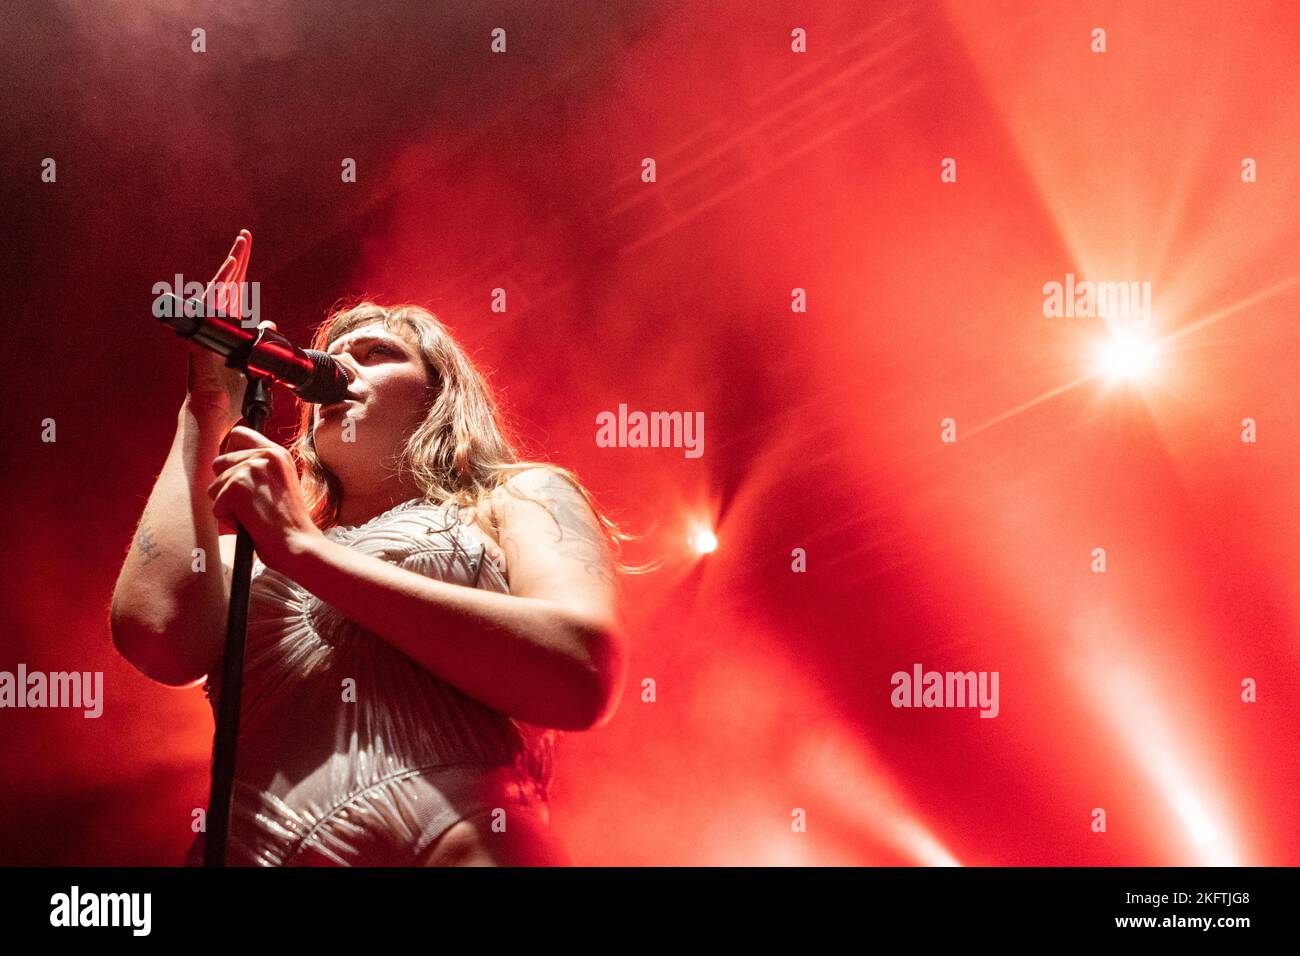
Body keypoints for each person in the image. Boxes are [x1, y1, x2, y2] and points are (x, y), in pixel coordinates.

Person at [109, 229, 631, 865]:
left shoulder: (516, 499)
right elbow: (153, 632)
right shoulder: (255, 552)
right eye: (331, 354)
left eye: (377, 352)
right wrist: (206, 401)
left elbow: (580, 669)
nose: (339, 366)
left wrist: (305, 551)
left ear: (440, 396)